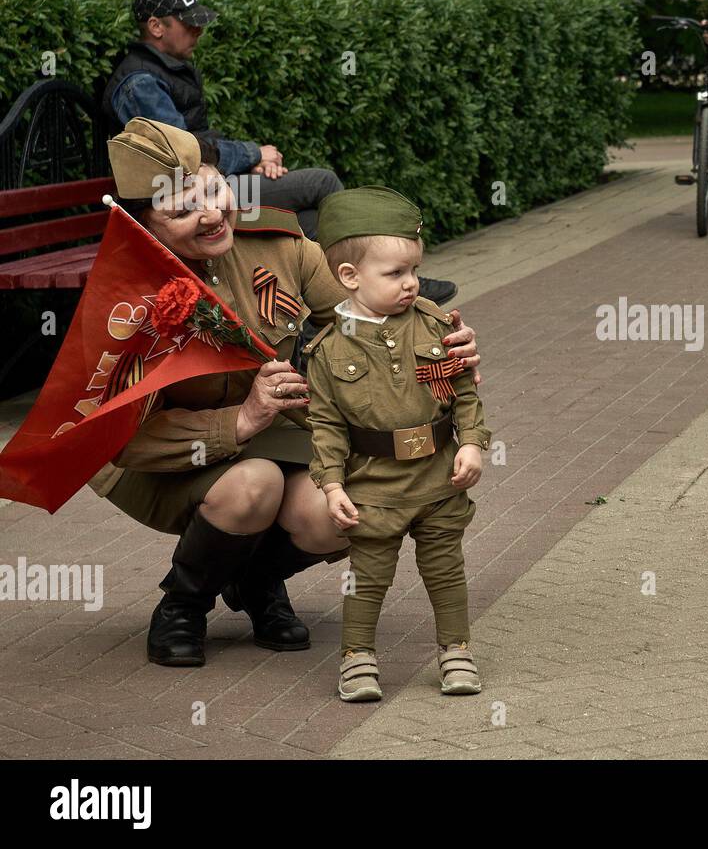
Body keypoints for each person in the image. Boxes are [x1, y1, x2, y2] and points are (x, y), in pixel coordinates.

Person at [92, 118, 480, 667]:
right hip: (164, 459)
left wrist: (441, 344)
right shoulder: (125, 298)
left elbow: (360, 314)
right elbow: (119, 438)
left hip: (275, 434)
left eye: (211, 190)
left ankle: (255, 581)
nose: (209, 214)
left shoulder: (275, 240)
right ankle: (184, 604)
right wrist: (242, 422)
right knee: (256, 484)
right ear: (144, 227)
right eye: (180, 210)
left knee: (353, 506)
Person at [100, 0, 459, 305]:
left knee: (309, 216)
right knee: (321, 182)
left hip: (204, 186)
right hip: (186, 198)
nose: (198, 29)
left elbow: (197, 147)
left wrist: (248, 161)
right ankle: (378, 280)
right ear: (156, 26)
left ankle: (381, 280)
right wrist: (253, 153)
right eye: (187, 21)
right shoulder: (141, 82)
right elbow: (181, 158)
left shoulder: (165, 69)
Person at [303, 187, 490, 702]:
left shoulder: (434, 324)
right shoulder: (327, 349)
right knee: (368, 577)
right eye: (395, 274)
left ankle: (456, 650)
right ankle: (357, 657)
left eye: (414, 270)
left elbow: (465, 391)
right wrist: (332, 483)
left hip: (439, 476)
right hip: (375, 485)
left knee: (445, 567)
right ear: (349, 277)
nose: (411, 284)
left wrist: (471, 444)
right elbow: (326, 425)